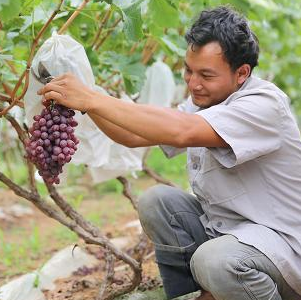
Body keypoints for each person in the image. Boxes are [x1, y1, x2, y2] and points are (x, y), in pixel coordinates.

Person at [38, 5, 301, 300]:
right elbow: (132, 134)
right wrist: (86, 100)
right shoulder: (206, 102)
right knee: (158, 202)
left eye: (206, 75)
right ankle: (199, 295)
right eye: (188, 70)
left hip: (283, 252)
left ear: (241, 73)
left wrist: (92, 97)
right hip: (232, 236)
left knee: (214, 260)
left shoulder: (264, 104)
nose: (193, 83)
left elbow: (183, 130)